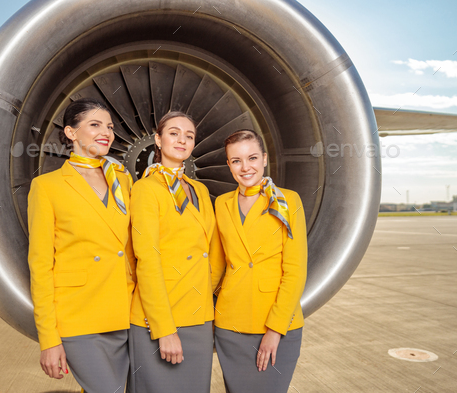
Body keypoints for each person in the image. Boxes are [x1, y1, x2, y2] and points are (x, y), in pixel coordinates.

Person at [27, 98, 136, 392]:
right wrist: (49, 339)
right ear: (71, 133)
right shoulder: (47, 187)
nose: (107, 133)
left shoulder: (122, 181)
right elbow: (40, 266)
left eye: (110, 127)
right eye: (95, 125)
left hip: (129, 313)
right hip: (80, 319)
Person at [127, 111, 223, 393]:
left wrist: (206, 295)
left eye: (189, 136)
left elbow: (212, 253)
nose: (182, 140)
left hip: (199, 316)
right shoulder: (146, 189)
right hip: (159, 318)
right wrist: (164, 329)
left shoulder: (199, 190)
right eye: (173, 133)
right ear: (158, 139)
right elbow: (147, 259)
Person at [211, 129, 307, 393]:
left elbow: (295, 271)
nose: (245, 167)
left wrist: (275, 331)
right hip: (231, 323)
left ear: (264, 159)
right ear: (229, 165)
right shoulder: (222, 204)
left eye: (252, 158)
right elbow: (216, 267)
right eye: (236, 160)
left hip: (277, 324)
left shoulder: (288, 201)